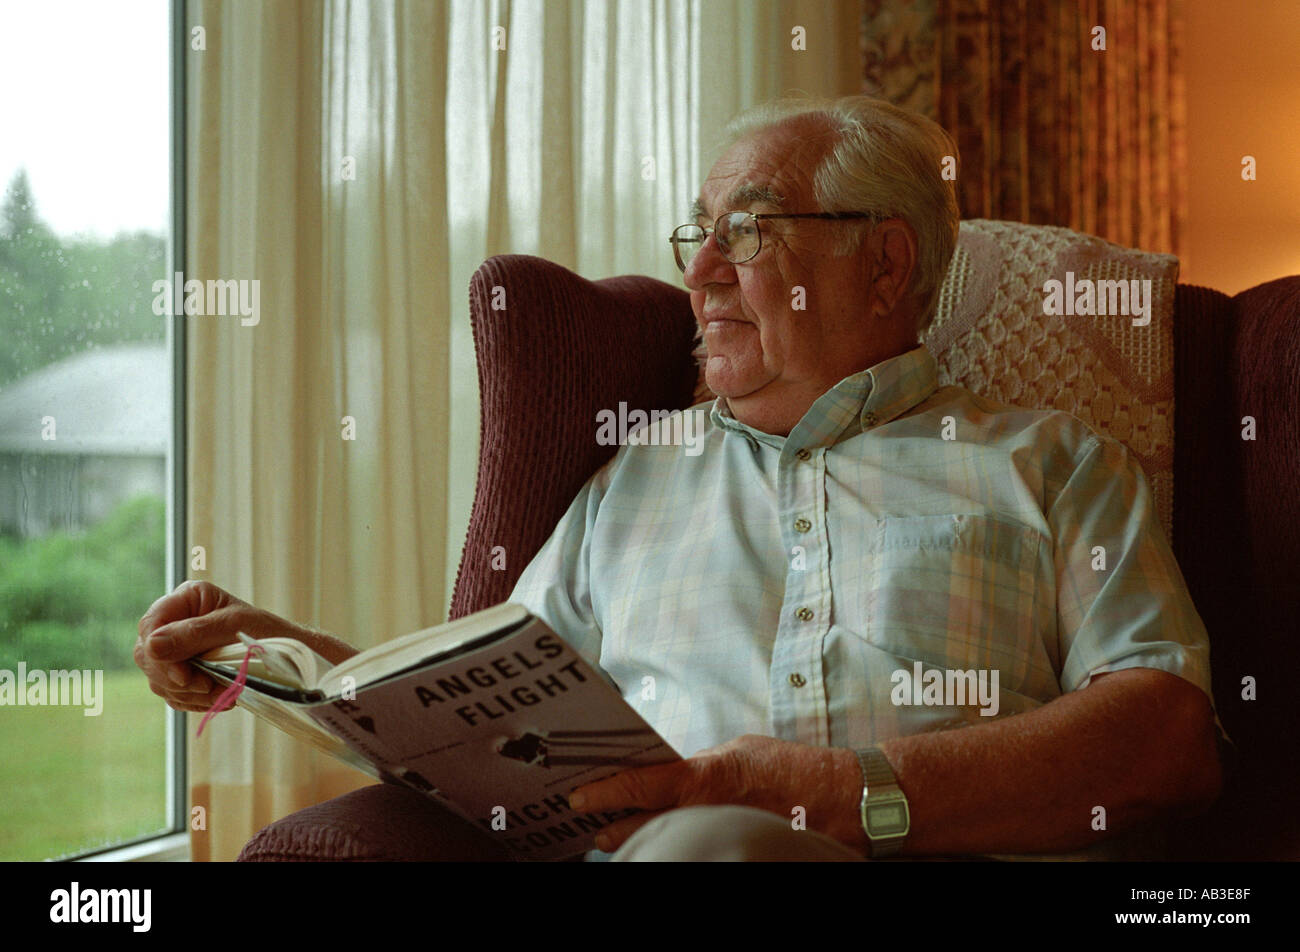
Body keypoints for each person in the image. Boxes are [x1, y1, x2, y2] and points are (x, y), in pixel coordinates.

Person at [137, 95, 1222, 862]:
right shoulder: (633, 483)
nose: (697, 269)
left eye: (744, 229)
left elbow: (1165, 736)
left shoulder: (1051, 464)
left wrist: (838, 798)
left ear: (885, 262)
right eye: (695, 234)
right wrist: (283, 661)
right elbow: (481, 711)